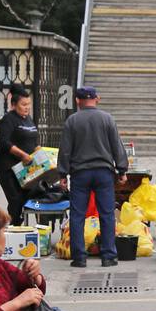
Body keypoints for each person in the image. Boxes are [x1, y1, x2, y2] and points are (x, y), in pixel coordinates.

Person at [57, 86, 128, 268]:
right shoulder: (107, 119)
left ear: (77, 101)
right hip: (103, 172)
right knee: (106, 214)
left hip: (80, 173)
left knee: (77, 215)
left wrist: (62, 174)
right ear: (97, 98)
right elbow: (117, 146)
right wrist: (122, 170)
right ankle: (109, 256)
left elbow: (65, 150)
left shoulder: (72, 121)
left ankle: (79, 258)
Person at [0, 85, 38, 225]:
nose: (27, 107)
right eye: (23, 104)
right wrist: (23, 155)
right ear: (14, 105)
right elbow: (4, 143)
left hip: (25, 167)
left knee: (25, 197)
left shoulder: (28, 119)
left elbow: (33, 140)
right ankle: (13, 229)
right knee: (15, 198)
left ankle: (17, 226)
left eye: (28, 104)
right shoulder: (9, 119)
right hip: (8, 167)